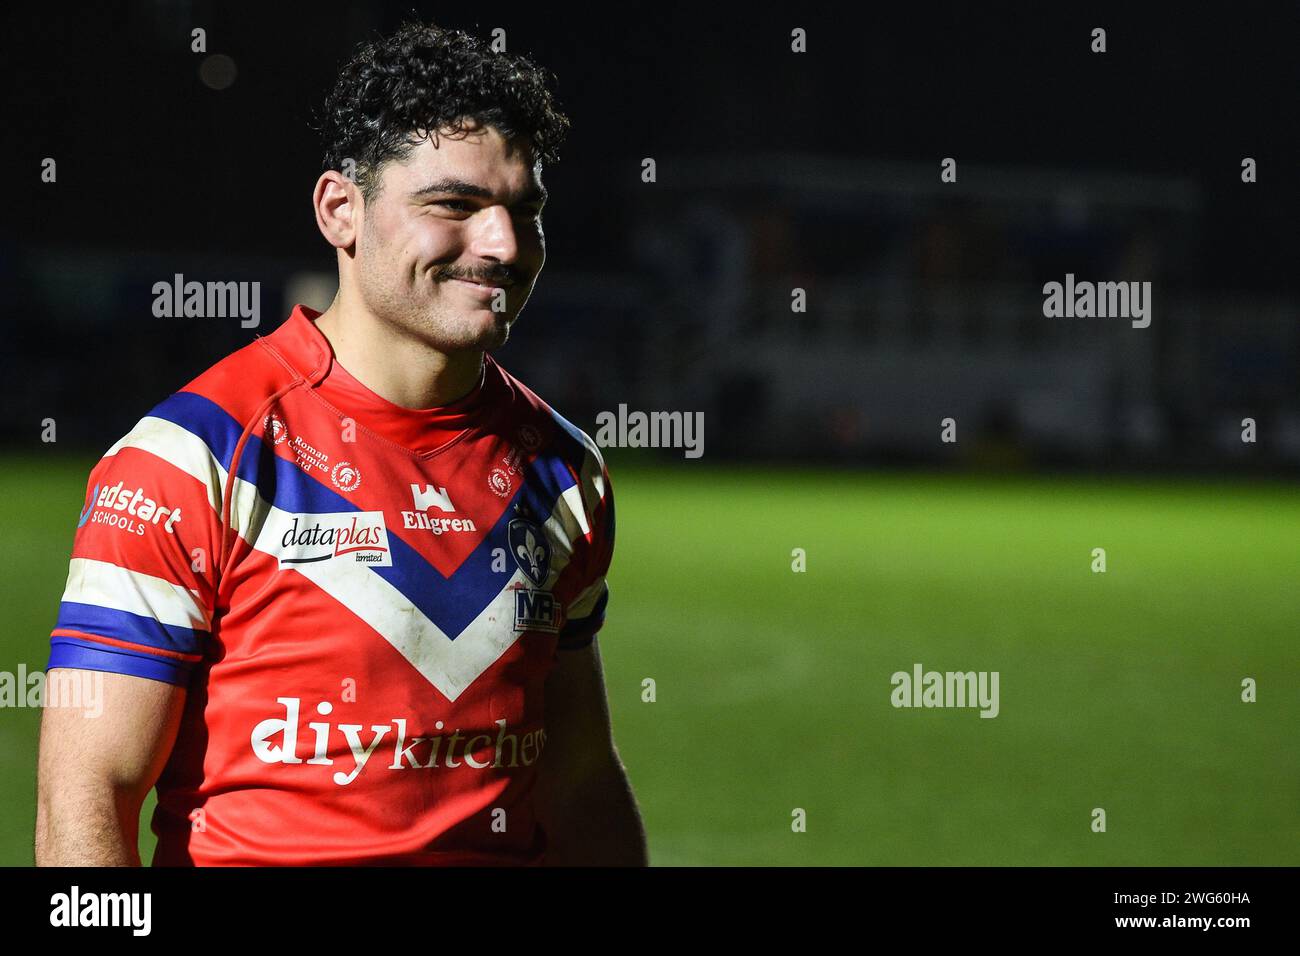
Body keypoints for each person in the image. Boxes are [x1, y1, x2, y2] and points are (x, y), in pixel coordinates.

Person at [35, 21, 646, 866]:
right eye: (455, 206)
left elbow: (578, 781)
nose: (503, 245)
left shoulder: (563, 471)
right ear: (340, 211)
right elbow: (87, 798)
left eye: (524, 211)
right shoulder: (189, 460)